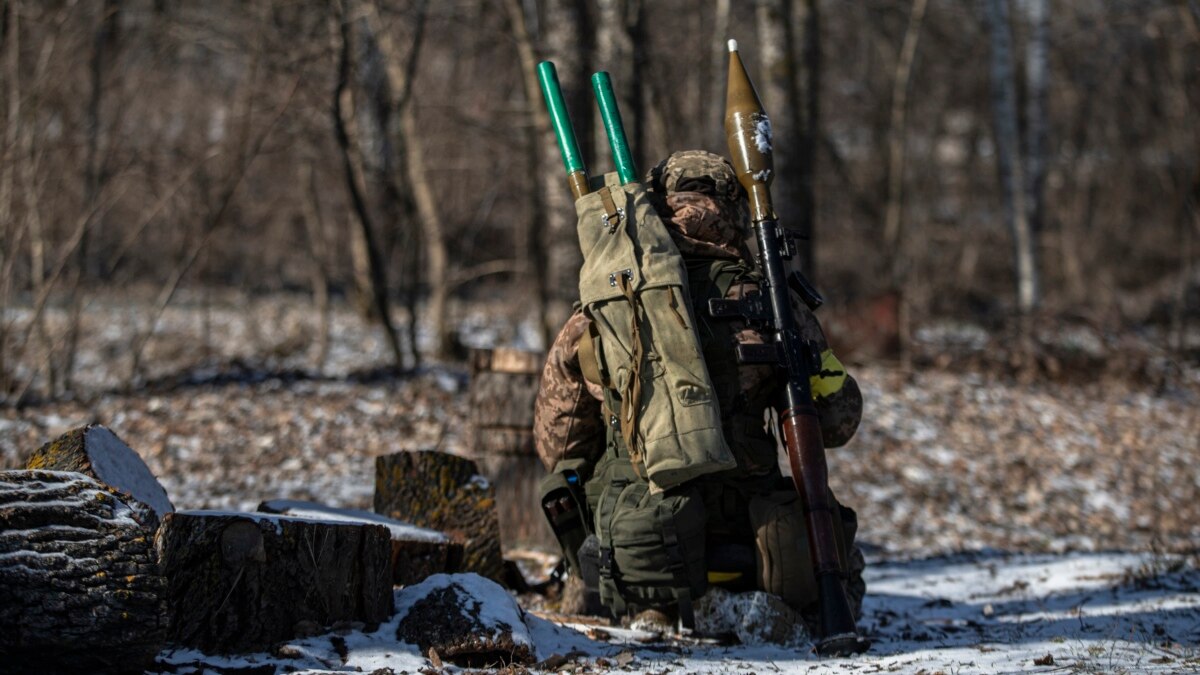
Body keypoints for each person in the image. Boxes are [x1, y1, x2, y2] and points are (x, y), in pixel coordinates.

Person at [533, 150, 865, 631]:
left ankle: (635, 602)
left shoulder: (603, 305)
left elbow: (557, 443)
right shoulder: (773, 303)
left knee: (568, 478)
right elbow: (838, 422)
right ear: (736, 210)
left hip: (640, 552)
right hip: (754, 548)